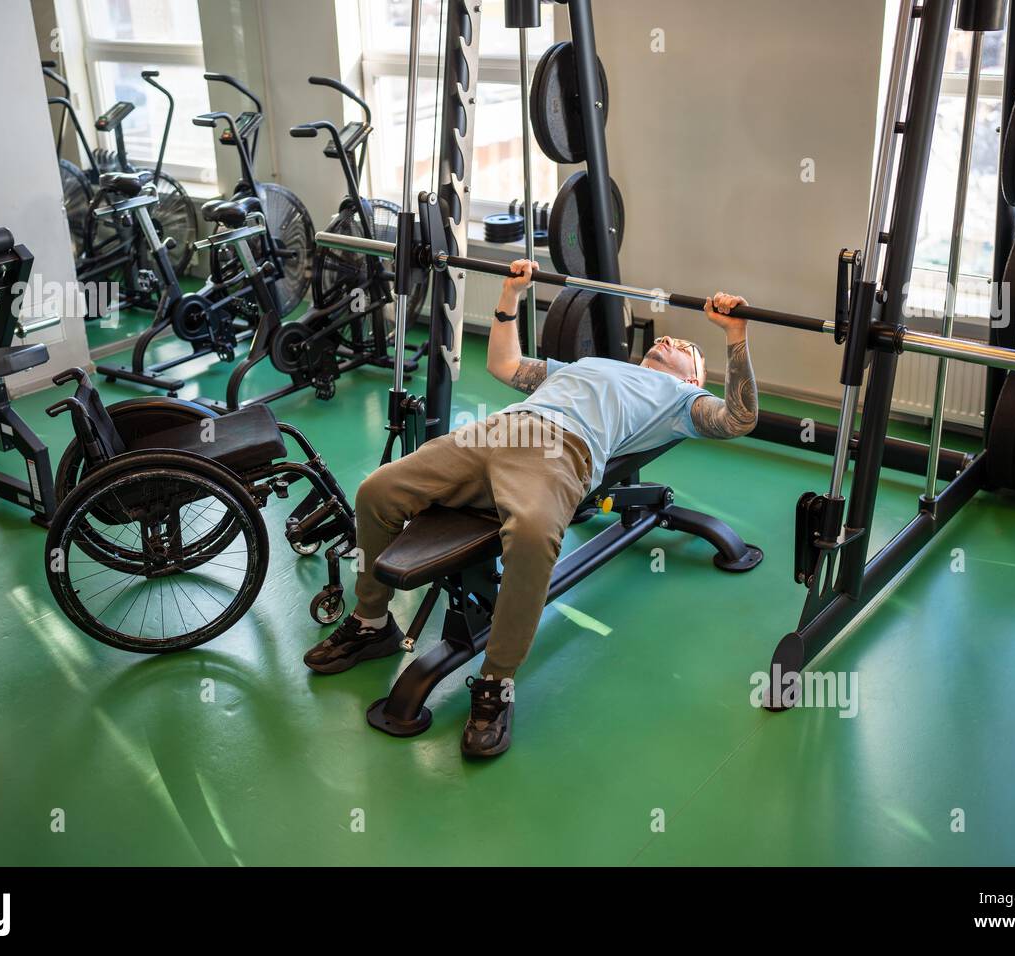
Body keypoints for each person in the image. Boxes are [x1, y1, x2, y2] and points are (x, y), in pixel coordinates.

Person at [304, 260, 758, 757]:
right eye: (671, 340)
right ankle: (372, 624)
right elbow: (504, 366)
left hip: (562, 450)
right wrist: (510, 294)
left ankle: (496, 681)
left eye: (688, 349)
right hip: (495, 431)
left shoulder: (681, 400)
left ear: (696, 377)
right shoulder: (593, 365)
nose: (673, 342)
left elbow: (738, 417)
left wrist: (735, 335)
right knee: (377, 490)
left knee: (534, 535)